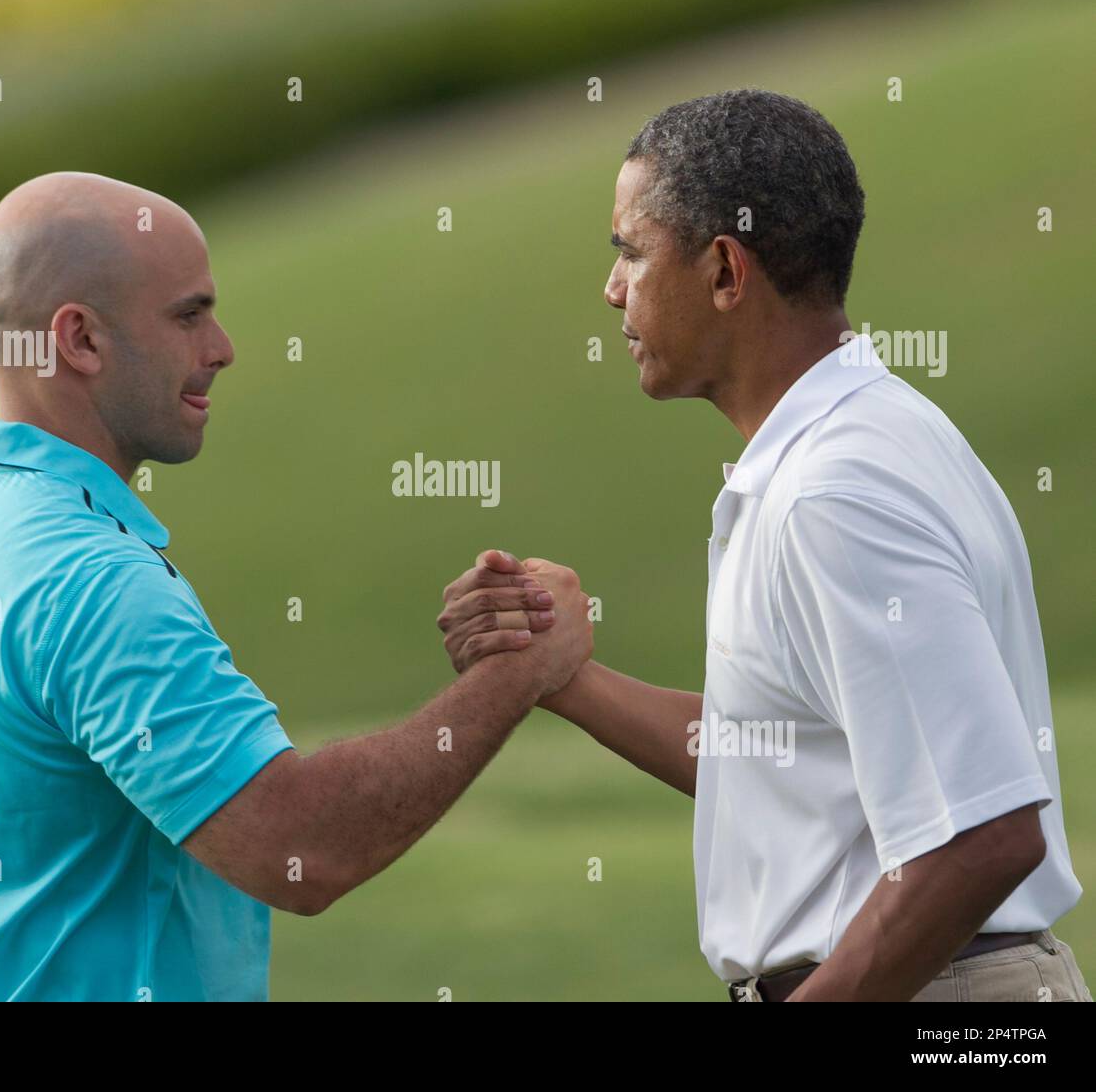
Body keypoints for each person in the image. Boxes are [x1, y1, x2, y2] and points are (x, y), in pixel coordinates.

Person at [0, 171, 593, 1001]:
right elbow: (302, 848)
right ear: (78, 340)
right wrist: (518, 669)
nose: (221, 348)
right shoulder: (88, 581)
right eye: (189, 315)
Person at [437, 89, 1090, 1002]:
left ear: (725, 273)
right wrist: (565, 676)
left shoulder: (836, 491)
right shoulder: (857, 444)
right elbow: (784, 755)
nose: (612, 288)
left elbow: (981, 834)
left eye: (629, 251)